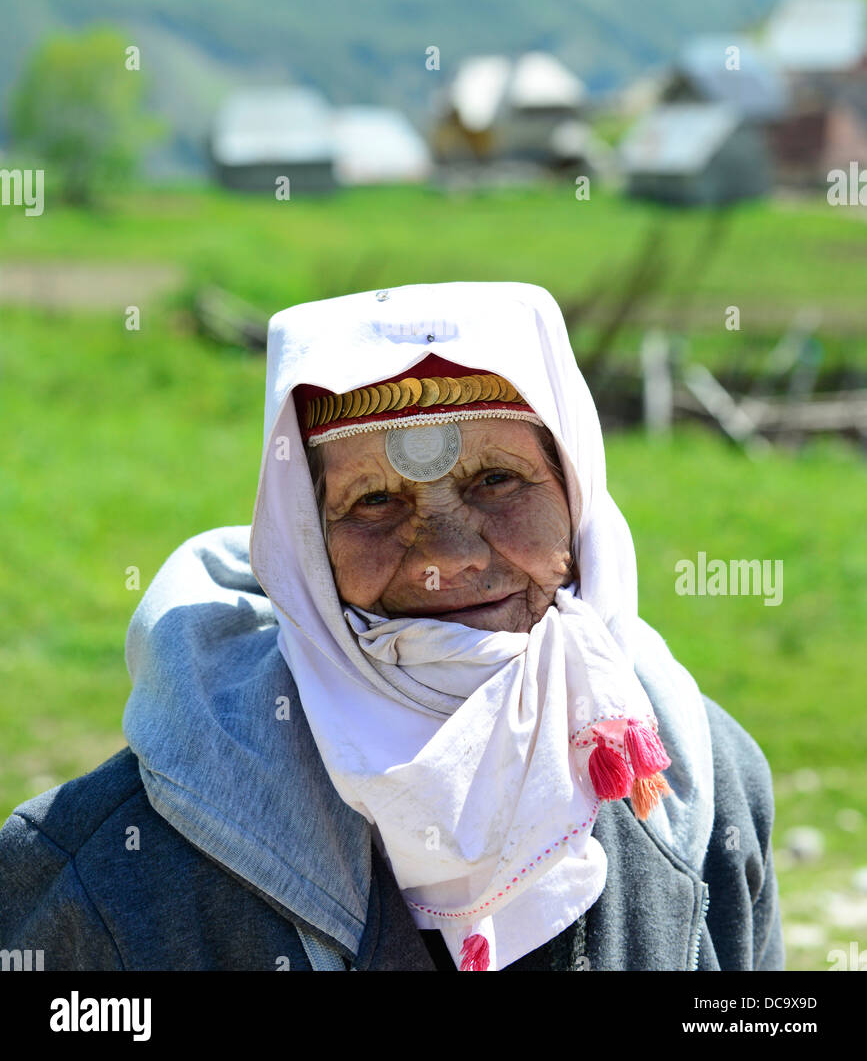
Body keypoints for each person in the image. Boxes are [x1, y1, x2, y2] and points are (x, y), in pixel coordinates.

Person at [0, 281, 783, 970]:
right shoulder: (103, 867)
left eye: (497, 481)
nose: (444, 557)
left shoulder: (699, 784)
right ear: (304, 538)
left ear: (575, 495)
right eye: (374, 501)